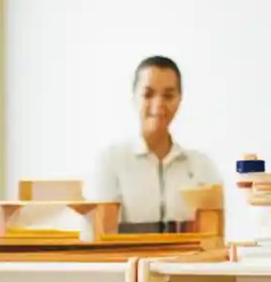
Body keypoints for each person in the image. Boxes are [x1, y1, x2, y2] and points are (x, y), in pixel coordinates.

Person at [91, 56, 222, 233]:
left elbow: (212, 235)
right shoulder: (110, 161)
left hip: (187, 261)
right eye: (148, 94)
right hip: (127, 260)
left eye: (168, 95)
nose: (158, 104)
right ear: (134, 97)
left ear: (180, 99)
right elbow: (101, 234)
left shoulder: (201, 165)